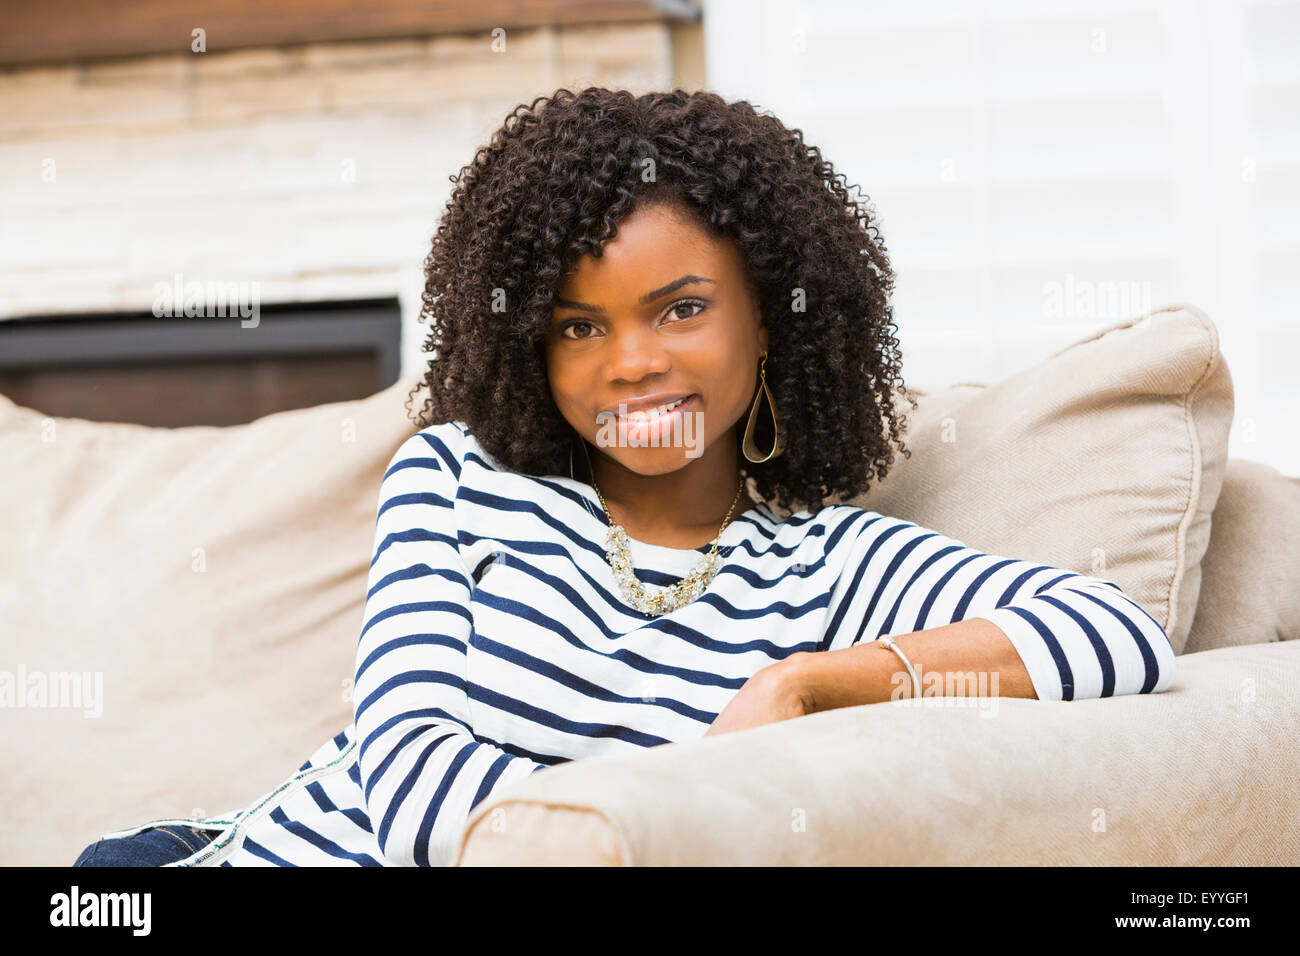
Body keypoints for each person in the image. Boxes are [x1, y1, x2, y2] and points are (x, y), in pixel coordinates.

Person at [74, 87, 1176, 867]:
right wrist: (650, 826)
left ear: (773, 313)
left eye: (682, 307)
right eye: (577, 324)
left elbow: (1115, 633)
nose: (631, 360)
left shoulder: (831, 567)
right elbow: (406, 783)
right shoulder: (457, 480)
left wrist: (808, 683)